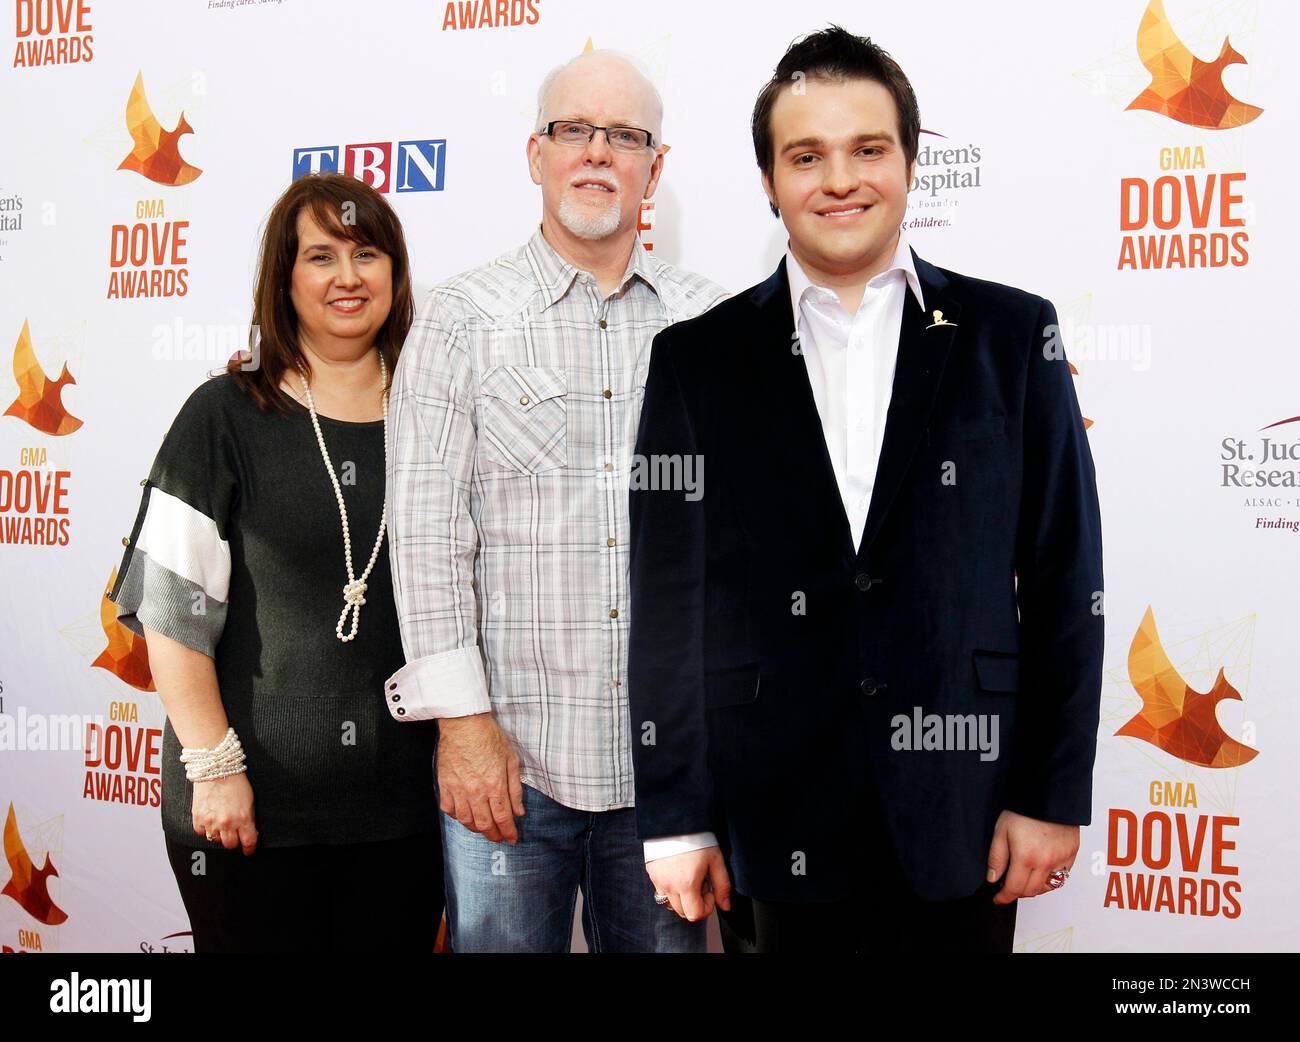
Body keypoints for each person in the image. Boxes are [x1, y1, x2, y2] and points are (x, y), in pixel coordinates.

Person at [628, 25, 1104, 953]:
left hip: (961, 815)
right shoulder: (697, 360)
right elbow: (668, 601)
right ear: (769, 181)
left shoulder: (1011, 336)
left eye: (867, 149)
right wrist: (676, 814)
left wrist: (1048, 795)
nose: (838, 179)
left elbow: (1062, 576)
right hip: (768, 820)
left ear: (911, 161)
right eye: (806, 155)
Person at [382, 49, 728, 952]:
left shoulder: (714, 327)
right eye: (573, 129)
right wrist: (462, 729)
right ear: (535, 152)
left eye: (624, 135)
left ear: (657, 164)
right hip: (510, 769)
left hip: (669, 779)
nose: (596, 153)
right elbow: (425, 540)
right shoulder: (461, 320)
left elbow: (740, 554)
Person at [110, 172, 441, 953]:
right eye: (321, 256)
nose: (349, 277)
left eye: (368, 253)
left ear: (395, 271)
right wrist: (215, 767)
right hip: (249, 811)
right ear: (284, 279)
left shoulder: (439, 415)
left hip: (404, 816)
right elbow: (170, 608)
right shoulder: (225, 415)